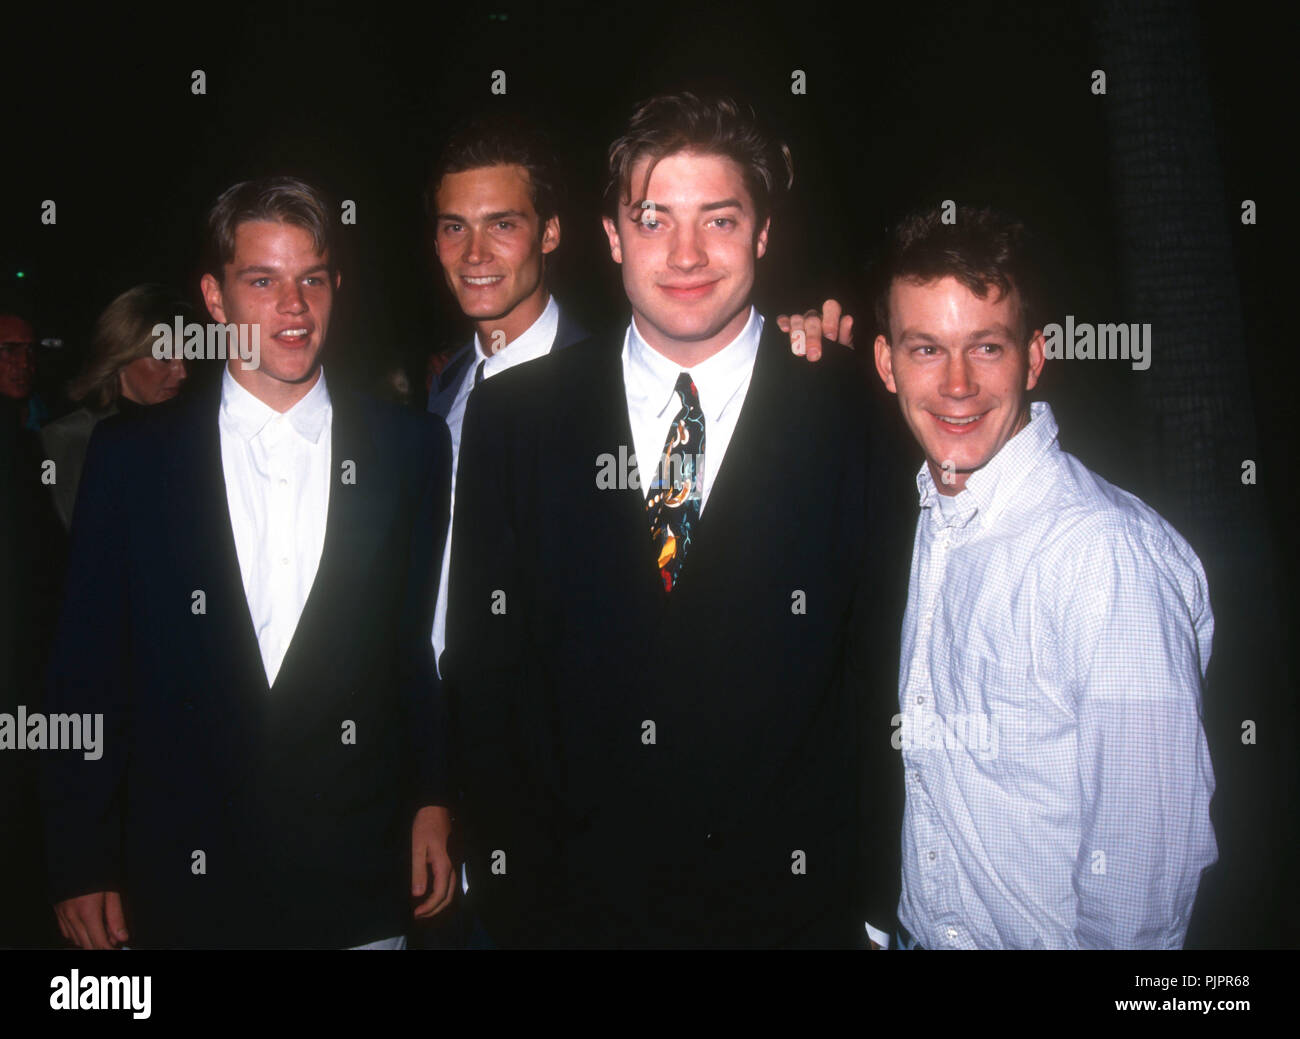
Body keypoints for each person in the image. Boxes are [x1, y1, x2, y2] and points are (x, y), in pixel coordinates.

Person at [446, 93, 900, 948]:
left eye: (719, 220)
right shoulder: (515, 417)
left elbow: (879, 668)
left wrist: (873, 903)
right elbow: (487, 673)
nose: (686, 254)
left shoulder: (854, 410)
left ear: (763, 234)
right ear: (612, 235)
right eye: (654, 220)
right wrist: (505, 894)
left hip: (792, 914)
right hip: (572, 915)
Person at [42, 176, 455, 949]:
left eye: (312, 280)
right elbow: (87, 666)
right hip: (184, 887)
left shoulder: (412, 448)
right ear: (215, 296)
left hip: (356, 880)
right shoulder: (133, 458)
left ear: (338, 288)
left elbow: (414, 649)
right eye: (262, 281)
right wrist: (78, 854)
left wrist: (433, 796)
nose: (292, 307)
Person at [870, 204, 1217, 949]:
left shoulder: (1101, 556)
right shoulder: (935, 510)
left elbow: (1143, 883)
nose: (957, 384)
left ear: (1033, 357)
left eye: (986, 348)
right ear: (885, 361)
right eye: (926, 348)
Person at [40, 284, 190, 530]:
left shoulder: (181, 430)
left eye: (185, 356)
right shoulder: (70, 437)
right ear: (120, 357)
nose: (181, 372)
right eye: (165, 357)